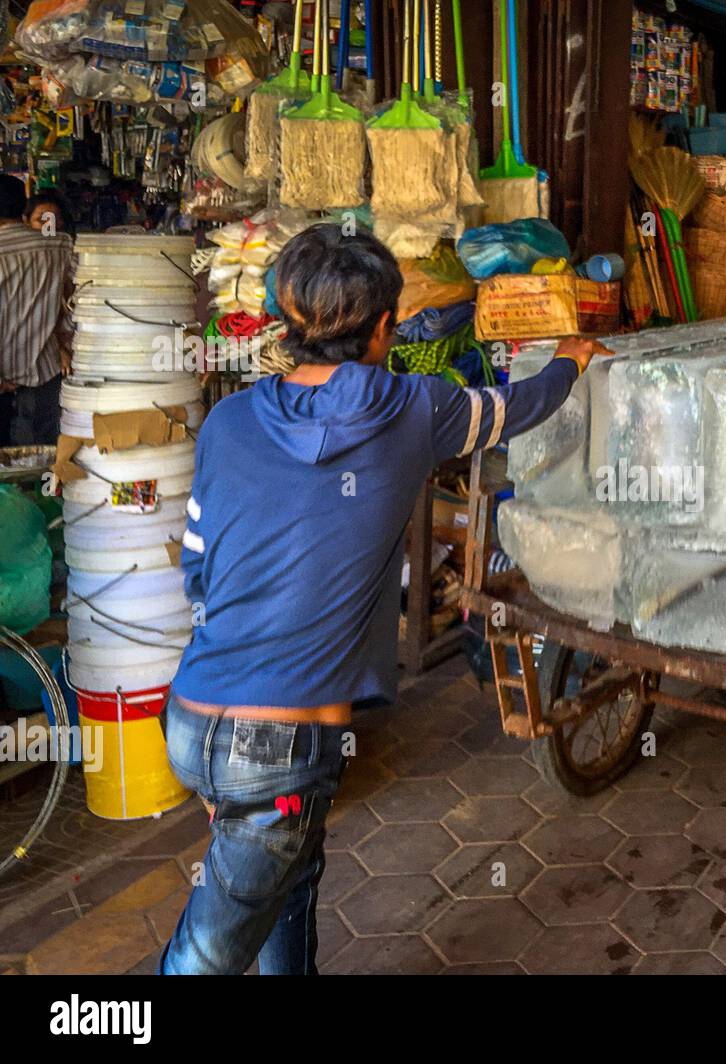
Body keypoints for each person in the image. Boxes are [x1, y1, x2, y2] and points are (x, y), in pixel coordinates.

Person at [159, 224, 608, 974]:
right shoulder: (413, 409)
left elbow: (199, 571)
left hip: (191, 717)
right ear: (383, 328)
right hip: (278, 754)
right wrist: (570, 359)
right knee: (204, 959)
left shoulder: (230, 421)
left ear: (287, 322)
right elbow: (514, 406)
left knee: (291, 881)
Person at [0, 176, 75, 446]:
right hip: (44, 374)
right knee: (43, 454)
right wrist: (64, 342)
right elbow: (76, 299)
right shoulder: (61, 245)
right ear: (23, 209)